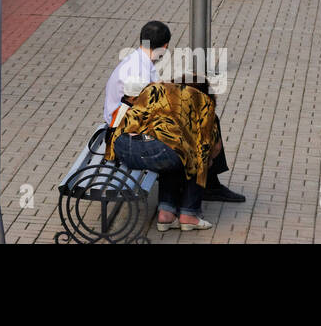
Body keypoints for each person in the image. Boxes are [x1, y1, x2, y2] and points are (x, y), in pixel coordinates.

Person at [100, 21, 247, 205]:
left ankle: (208, 184)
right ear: (165, 47)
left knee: (206, 120)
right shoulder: (139, 71)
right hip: (127, 133)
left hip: (128, 126)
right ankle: (204, 189)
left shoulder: (138, 61)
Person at [105, 81, 220, 231]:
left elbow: (131, 118)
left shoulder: (156, 87)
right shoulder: (204, 101)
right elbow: (211, 147)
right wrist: (208, 160)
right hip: (159, 151)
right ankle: (188, 215)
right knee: (195, 157)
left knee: (173, 153)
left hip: (123, 147)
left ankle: (166, 215)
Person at [102, 20, 168, 127]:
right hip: (121, 124)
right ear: (165, 47)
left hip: (118, 116)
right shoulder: (140, 72)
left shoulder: (138, 58)